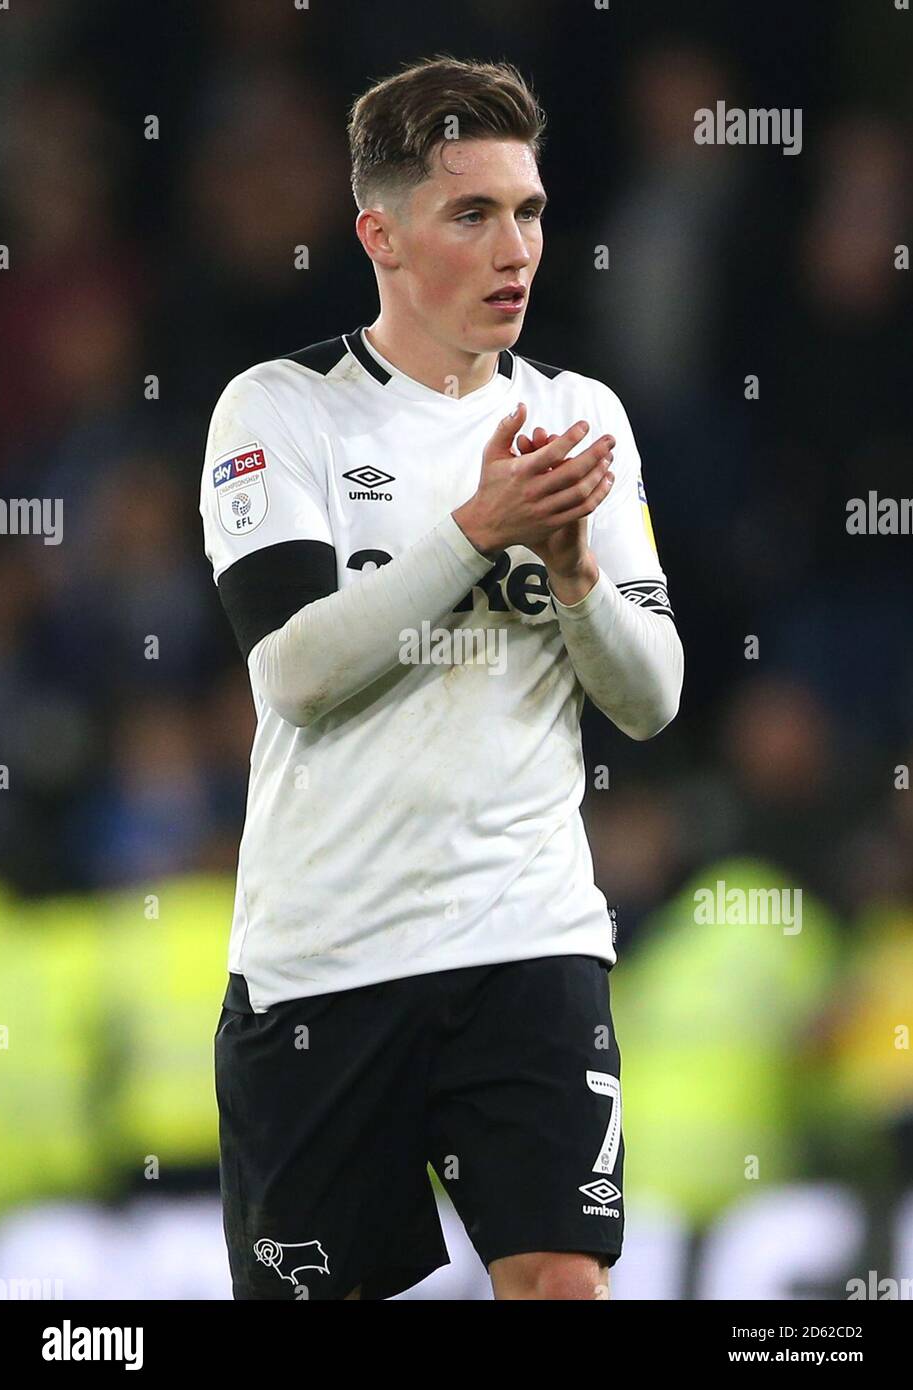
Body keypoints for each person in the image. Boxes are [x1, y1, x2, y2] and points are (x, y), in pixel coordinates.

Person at [200, 55, 683, 1301]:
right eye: (471, 214)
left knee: (562, 1282)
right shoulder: (282, 412)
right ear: (383, 235)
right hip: (328, 957)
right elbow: (295, 673)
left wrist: (574, 569)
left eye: (527, 211)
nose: (514, 246)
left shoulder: (583, 418)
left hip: (528, 935)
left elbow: (651, 697)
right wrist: (475, 531)